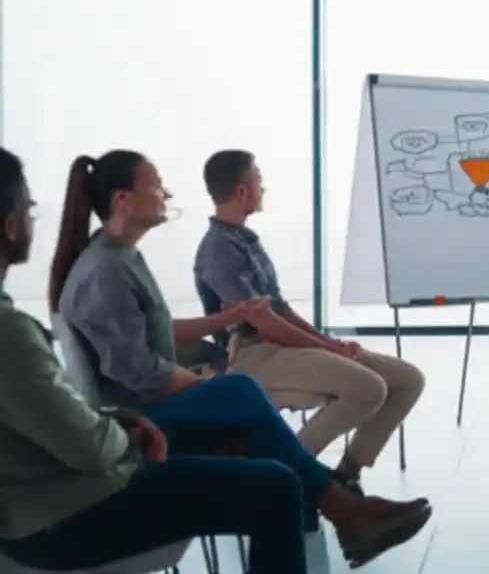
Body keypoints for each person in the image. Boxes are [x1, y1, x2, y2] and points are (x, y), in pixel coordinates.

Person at [0, 148, 423, 572]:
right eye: (154, 183)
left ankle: (341, 505)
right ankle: (342, 505)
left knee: (244, 412)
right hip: (131, 433)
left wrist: (221, 336)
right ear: (122, 200)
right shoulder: (103, 272)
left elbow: (150, 341)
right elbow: (140, 376)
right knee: (239, 399)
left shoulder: (116, 260)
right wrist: (204, 387)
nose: (165, 191)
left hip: (121, 428)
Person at [194, 150, 425, 492]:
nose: (263, 187)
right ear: (242, 191)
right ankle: (285, 476)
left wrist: (330, 344)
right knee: (369, 389)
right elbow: (266, 324)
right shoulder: (220, 251)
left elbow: (280, 310)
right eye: (258, 179)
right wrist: (329, 348)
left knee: (407, 380)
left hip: (280, 347)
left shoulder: (244, 240)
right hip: (253, 357)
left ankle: (345, 476)